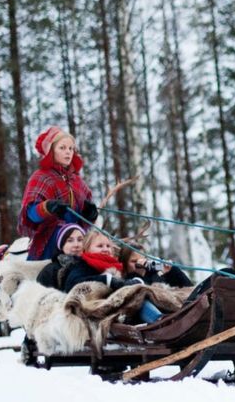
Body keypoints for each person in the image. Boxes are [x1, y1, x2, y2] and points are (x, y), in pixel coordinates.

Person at [18, 126, 97, 261]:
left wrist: (90, 215)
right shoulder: (41, 177)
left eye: (71, 148)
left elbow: (83, 221)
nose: (68, 152)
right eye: (62, 148)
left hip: (78, 243)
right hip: (50, 243)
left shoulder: (78, 181)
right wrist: (47, 207)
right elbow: (30, 215)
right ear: (51, 151)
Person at [61, 231, 164, 323]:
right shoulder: (83, 265)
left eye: (108, 246)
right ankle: (159, 322)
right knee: (135, 300)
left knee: (142, 296)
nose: (105, 249)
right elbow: (73, 283)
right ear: (87, 249)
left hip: (115, 306)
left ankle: (167, 319)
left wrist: (136, 280)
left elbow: (127, 281)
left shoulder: (115, 266)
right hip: (94, 308)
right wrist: (106, 280)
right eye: (100, 246)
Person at [36, 223, 85, 289]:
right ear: (62, 246)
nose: (76, 245)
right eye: (70, 241)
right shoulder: (50, 271)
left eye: (80, 240)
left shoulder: (93, 267)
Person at [119, 247, 193, 288]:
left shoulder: (151, 267)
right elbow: (150, 287)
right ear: (125, 263)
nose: (139, 263)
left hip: (176, 297)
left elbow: (167, 268)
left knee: (174, 269)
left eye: (142, 259)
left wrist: (168, 265)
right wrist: (161, 273)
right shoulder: (127, 279)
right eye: (134, 261)